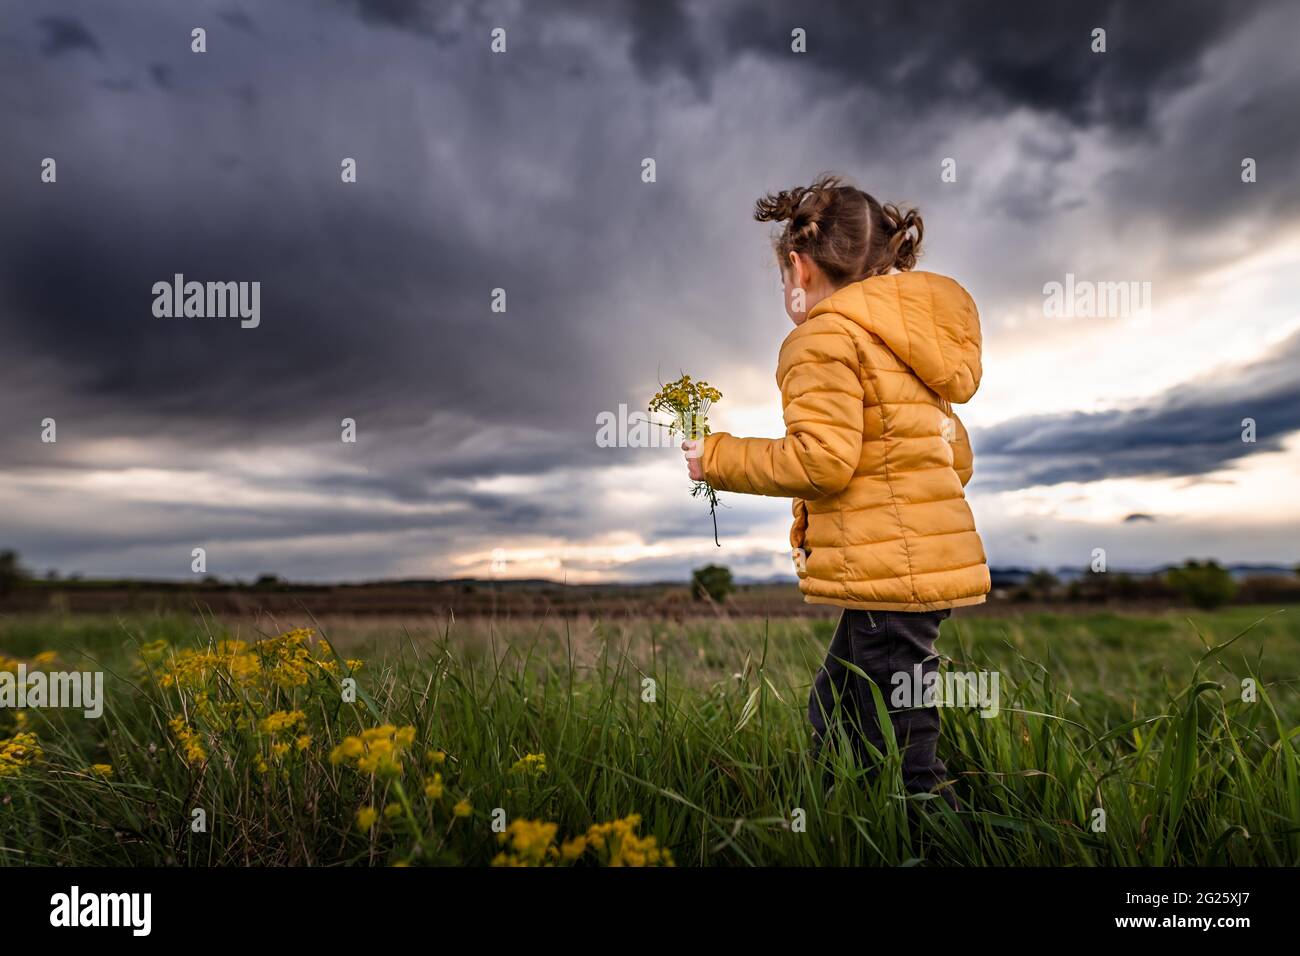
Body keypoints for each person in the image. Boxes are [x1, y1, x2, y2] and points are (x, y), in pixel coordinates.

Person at [682, 174, 990, 810]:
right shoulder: (909, 345)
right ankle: (836, 815)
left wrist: (717, 456)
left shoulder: (822, 338)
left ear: (798, 266)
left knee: (900, 739)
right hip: (912, 566)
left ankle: (939, 836)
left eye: (784, 277)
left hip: (887, 570)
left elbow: (821, 463)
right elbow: (954, 456)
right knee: (839, 701)